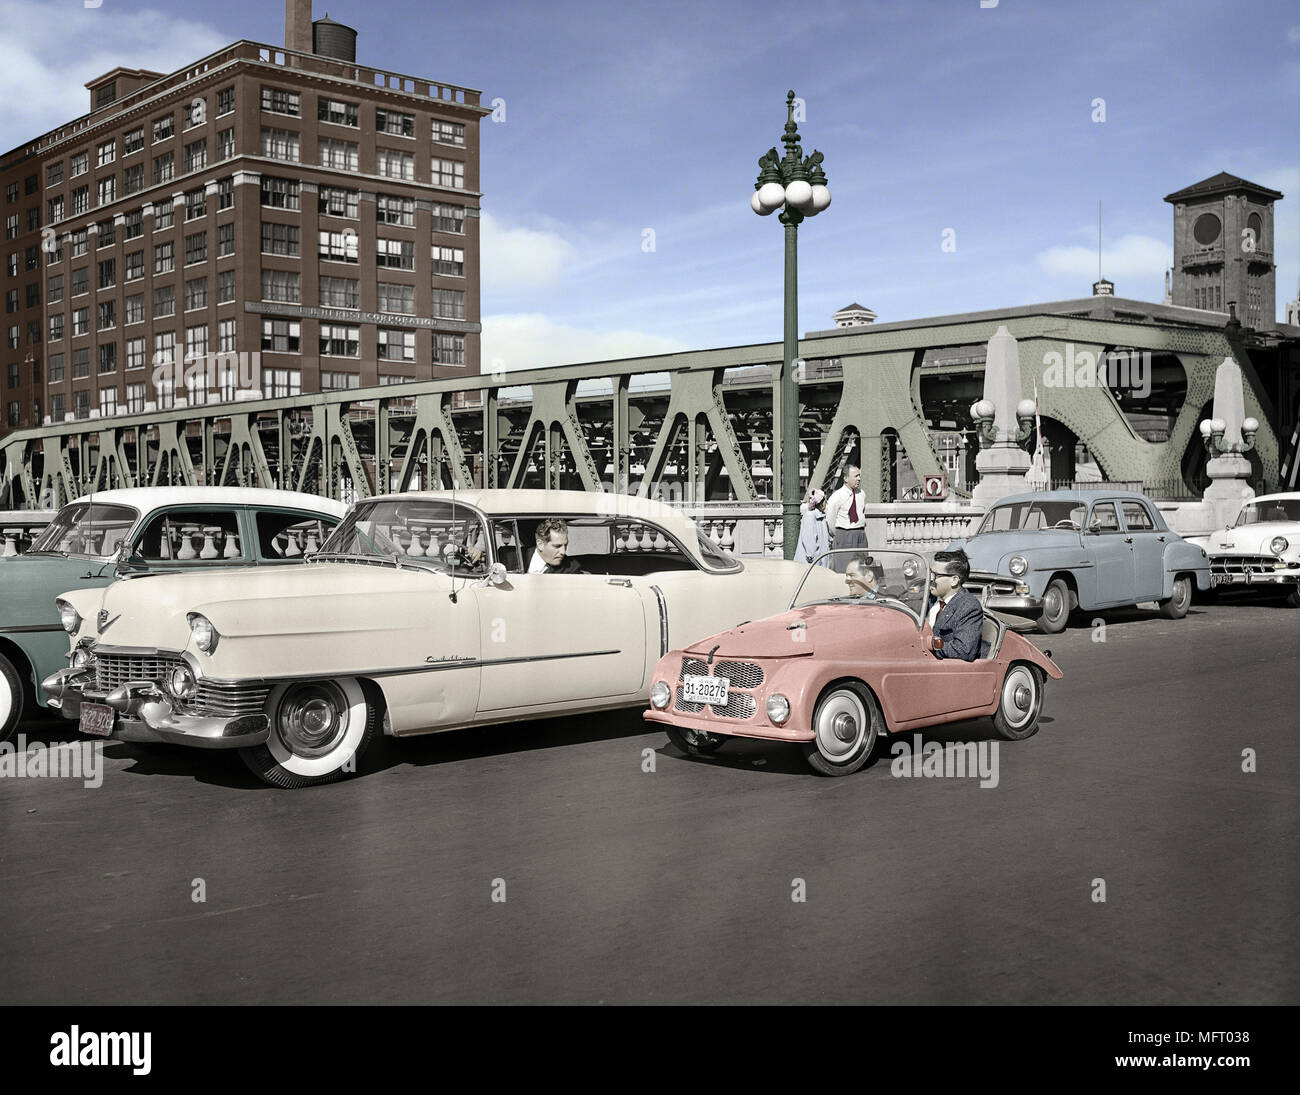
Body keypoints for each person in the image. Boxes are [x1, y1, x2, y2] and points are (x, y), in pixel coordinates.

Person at [925, 548, 987, 661]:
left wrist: (927, 645)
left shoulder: (969, 607)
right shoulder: (927, 598)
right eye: (929, 573)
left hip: (944, 669)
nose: (930, 579)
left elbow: (964, 650)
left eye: (936, 575)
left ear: (954, 580)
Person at [824, 466, 867, 572]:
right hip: (844, 534)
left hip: (860, 534)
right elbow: (830, 518)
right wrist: (839, 534)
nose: (859, 479)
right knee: (844, 568)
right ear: (846, 478)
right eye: (856, 476)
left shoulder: (861, 494)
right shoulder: (837, 496)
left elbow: (862, 511)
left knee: (862, 566)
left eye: (859, 476)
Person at [797, 488, 831, 566]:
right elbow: (809, 539)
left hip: (819, 559)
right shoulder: (810, 516)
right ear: (820, 502)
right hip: (812, 562)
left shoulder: (821, 515)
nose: (827, 503)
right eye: (825, 501)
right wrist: (812, 556)